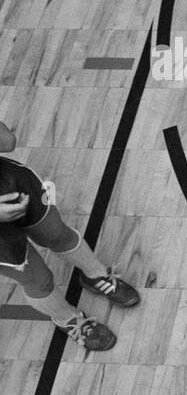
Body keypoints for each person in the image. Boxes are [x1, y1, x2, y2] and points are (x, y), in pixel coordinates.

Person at [0, 119, 138, 351]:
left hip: (10, 183)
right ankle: (68, 319)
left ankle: (95, 275)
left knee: (57, 234)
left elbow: (7, 142)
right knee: (38, 280)